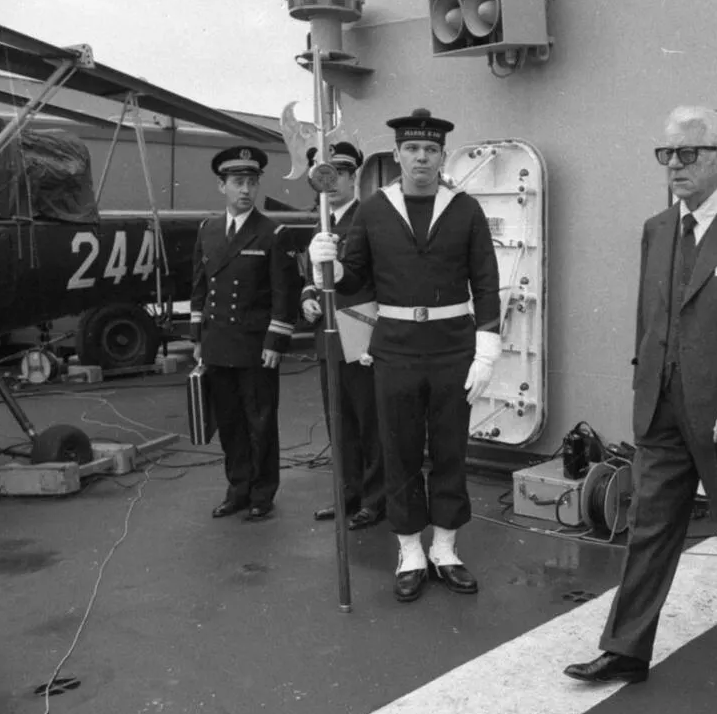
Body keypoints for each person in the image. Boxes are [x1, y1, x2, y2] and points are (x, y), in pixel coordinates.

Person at [564, 105, 717, 684]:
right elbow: (651, 319)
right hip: (663, 408)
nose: (673, 164)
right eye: (666, 154)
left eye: (686, 154)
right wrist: (645, 385)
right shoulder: (658, 229)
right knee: (649, 527)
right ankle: (626, 648)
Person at [307, 108, 501, 603]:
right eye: (412, 149)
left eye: (431, 150)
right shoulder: (375, 210)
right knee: (400, 449)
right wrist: (327, 264)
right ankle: (410, 551)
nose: (421, 158)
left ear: (442, 156)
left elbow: (486, 283)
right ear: (397, 154)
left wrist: (486, 351)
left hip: (452, 347)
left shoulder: (465, 209)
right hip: (395, 348)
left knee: (451, 449)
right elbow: (354, 278)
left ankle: (446, 549)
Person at [190, 146, 299, 521]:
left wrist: (276, 340)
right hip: (218, 342)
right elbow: (200, 287)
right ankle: (237, 490)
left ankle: (262, 494)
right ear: (222, 186)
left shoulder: (272, 233)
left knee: (260, 422)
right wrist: (197, 339)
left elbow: (285, 294)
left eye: (252, 182)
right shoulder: (208, 230)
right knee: (230, 423)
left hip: (255, 346)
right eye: (238, 182)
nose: (246, 190)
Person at [300, 142, 386, 531]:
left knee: (370, 422)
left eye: (340, 174)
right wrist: (307, 297)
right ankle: (348, 493)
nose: (331, 183)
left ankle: (375, 498)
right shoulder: (319, 222)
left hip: (360, 333)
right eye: (325, 176)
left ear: (354, 177)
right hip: (329, 337)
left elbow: (375, 277)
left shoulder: (369, 219)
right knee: (339, 423)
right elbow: (310, 275)